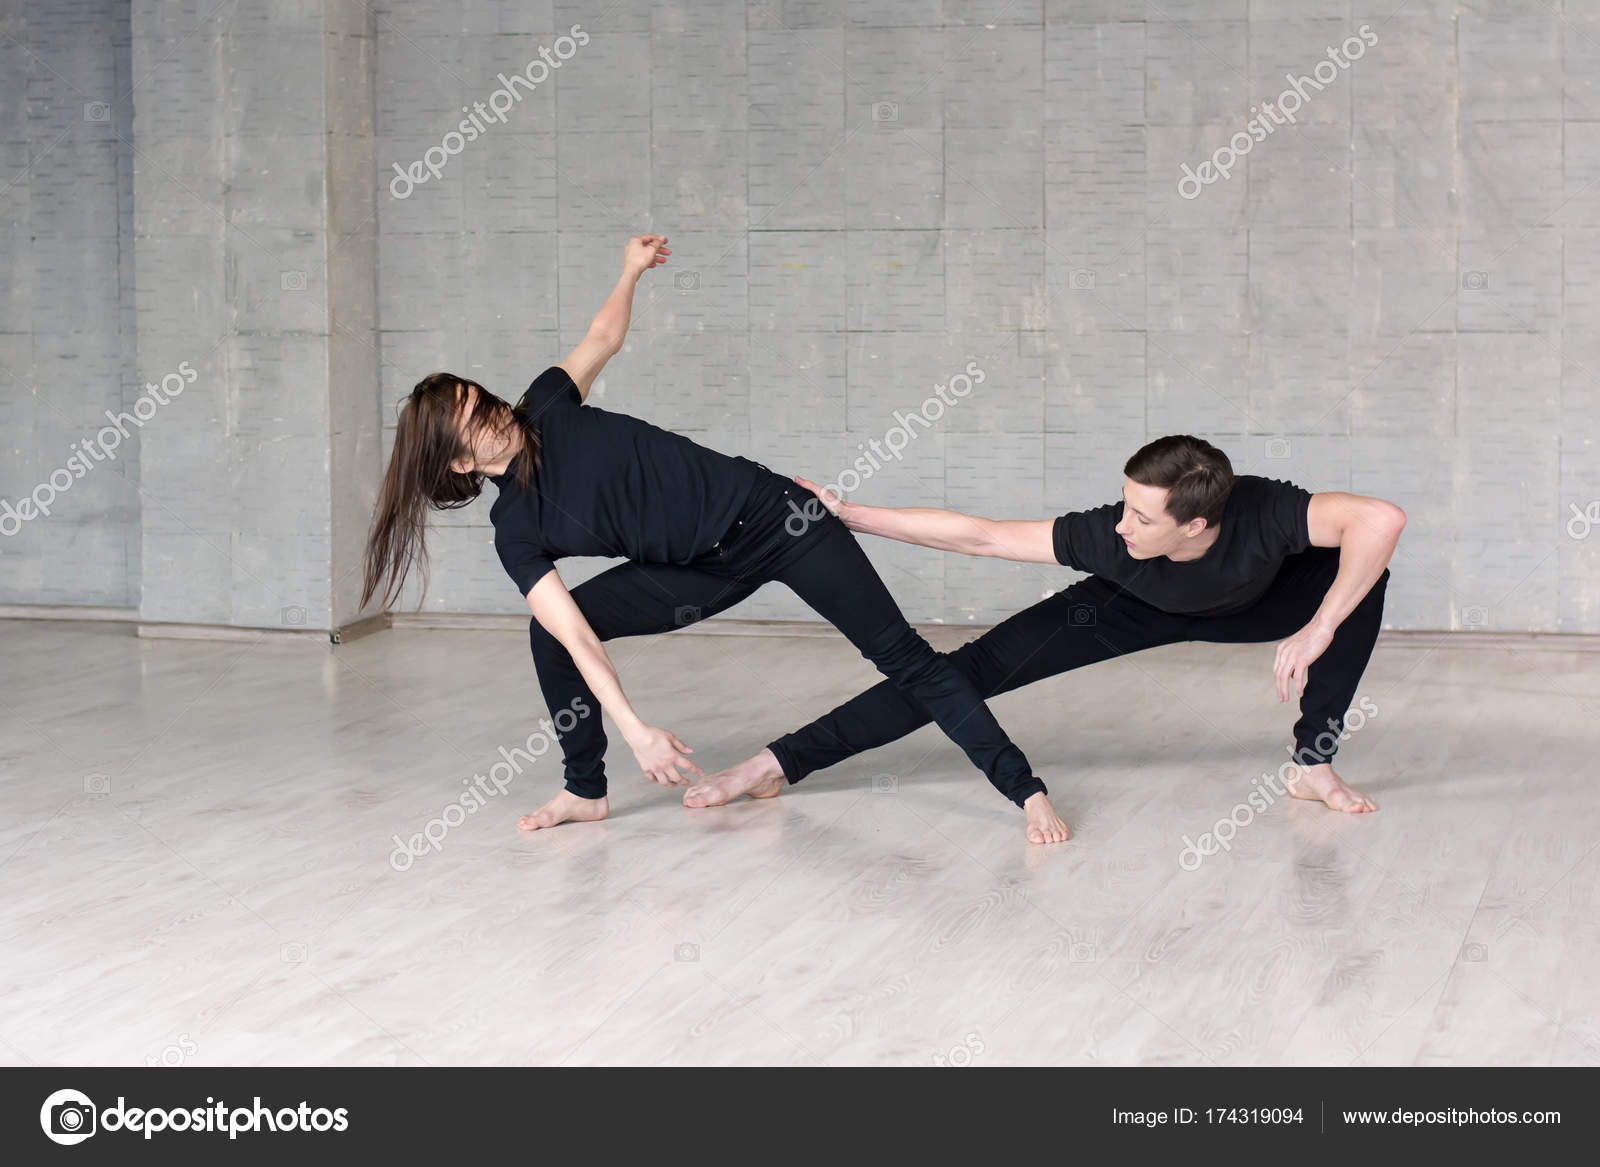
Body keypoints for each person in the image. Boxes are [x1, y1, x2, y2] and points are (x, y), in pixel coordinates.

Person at [361, 235, 1070, 844]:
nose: (494, 415)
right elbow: (577, 636)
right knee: (549, 634)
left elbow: (601, 337)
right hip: (699, 570)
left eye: (485, 400)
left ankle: (1023, 786)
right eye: (476, 422)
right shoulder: (515, 531)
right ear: (457, 462)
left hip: (781, 521)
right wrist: (636, 729)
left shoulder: (544, 405)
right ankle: (585, 787)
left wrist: (630, 270)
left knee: (906, 657)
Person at [685, 434, 1406, 837]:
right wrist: (853, 514)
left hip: (1262, 604)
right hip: (1131, 603)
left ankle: (1313, 764)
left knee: (1362, 585)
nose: (1122, 524)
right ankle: (778, 762)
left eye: (1142, 517)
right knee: (959, 671)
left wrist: (1318, 626)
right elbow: (983, 538)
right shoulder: (1110, 540)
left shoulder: (1264, 510)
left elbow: (1380, 520)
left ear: (1198, 523)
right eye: (1125, 504)